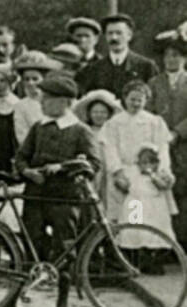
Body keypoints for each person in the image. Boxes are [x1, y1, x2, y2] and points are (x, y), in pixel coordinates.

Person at [13, 72, 103, 307]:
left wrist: (63, 168)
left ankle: (62, 303)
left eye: (48, 99)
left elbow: (93, 164)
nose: (42, 103)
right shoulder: (38, 128)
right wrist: (27, 171)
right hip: (36, 195)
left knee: (64, 249)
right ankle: (12, 300)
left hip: (65, 198)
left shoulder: (80, 131)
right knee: (29, 244)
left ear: (65, 102)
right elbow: (20, 156)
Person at [100, 80, 172, 223]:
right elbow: (110, 149)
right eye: (132, 99)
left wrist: (162, 171)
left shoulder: (154, 122)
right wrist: (117, 171)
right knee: (127, 214)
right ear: (125, 98)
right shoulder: (114, 123)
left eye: (140, 100)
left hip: (149, 172)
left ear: (146, 100)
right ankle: (127, 243)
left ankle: (149, 243)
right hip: (124, 172)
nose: (136, 104)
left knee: (149, 213)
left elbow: (163, 148)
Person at [148, 29, 187, 248]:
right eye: (167, 56)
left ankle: (183, 242)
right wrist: (161, 134)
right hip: (159, 144)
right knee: (160, 192)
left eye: (176, 55)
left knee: (184, 194)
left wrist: (178, 132)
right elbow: (148, 111)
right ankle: (162, 245)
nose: (171, 60)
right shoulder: (154, 83)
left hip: (185, 146)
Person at [77, 13, 159, 95]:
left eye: (119, 33)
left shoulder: (146, 67)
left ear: (129, 35)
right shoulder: (93, 70)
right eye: (110, 33)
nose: (114, 38)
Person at [74, 88, 120, 215]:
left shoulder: (113, 130)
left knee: (110, 198)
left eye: (103, 112)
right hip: (93, 169)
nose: (99, 115)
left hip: (109, 168)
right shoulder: (85, 130)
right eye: (95, 112)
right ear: (89, 114)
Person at [11, 50, 58, 148]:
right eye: (26, 79)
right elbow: (22, 135)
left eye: (35, 79)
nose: (30, 83)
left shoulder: (55, 101)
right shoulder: (21, 106)